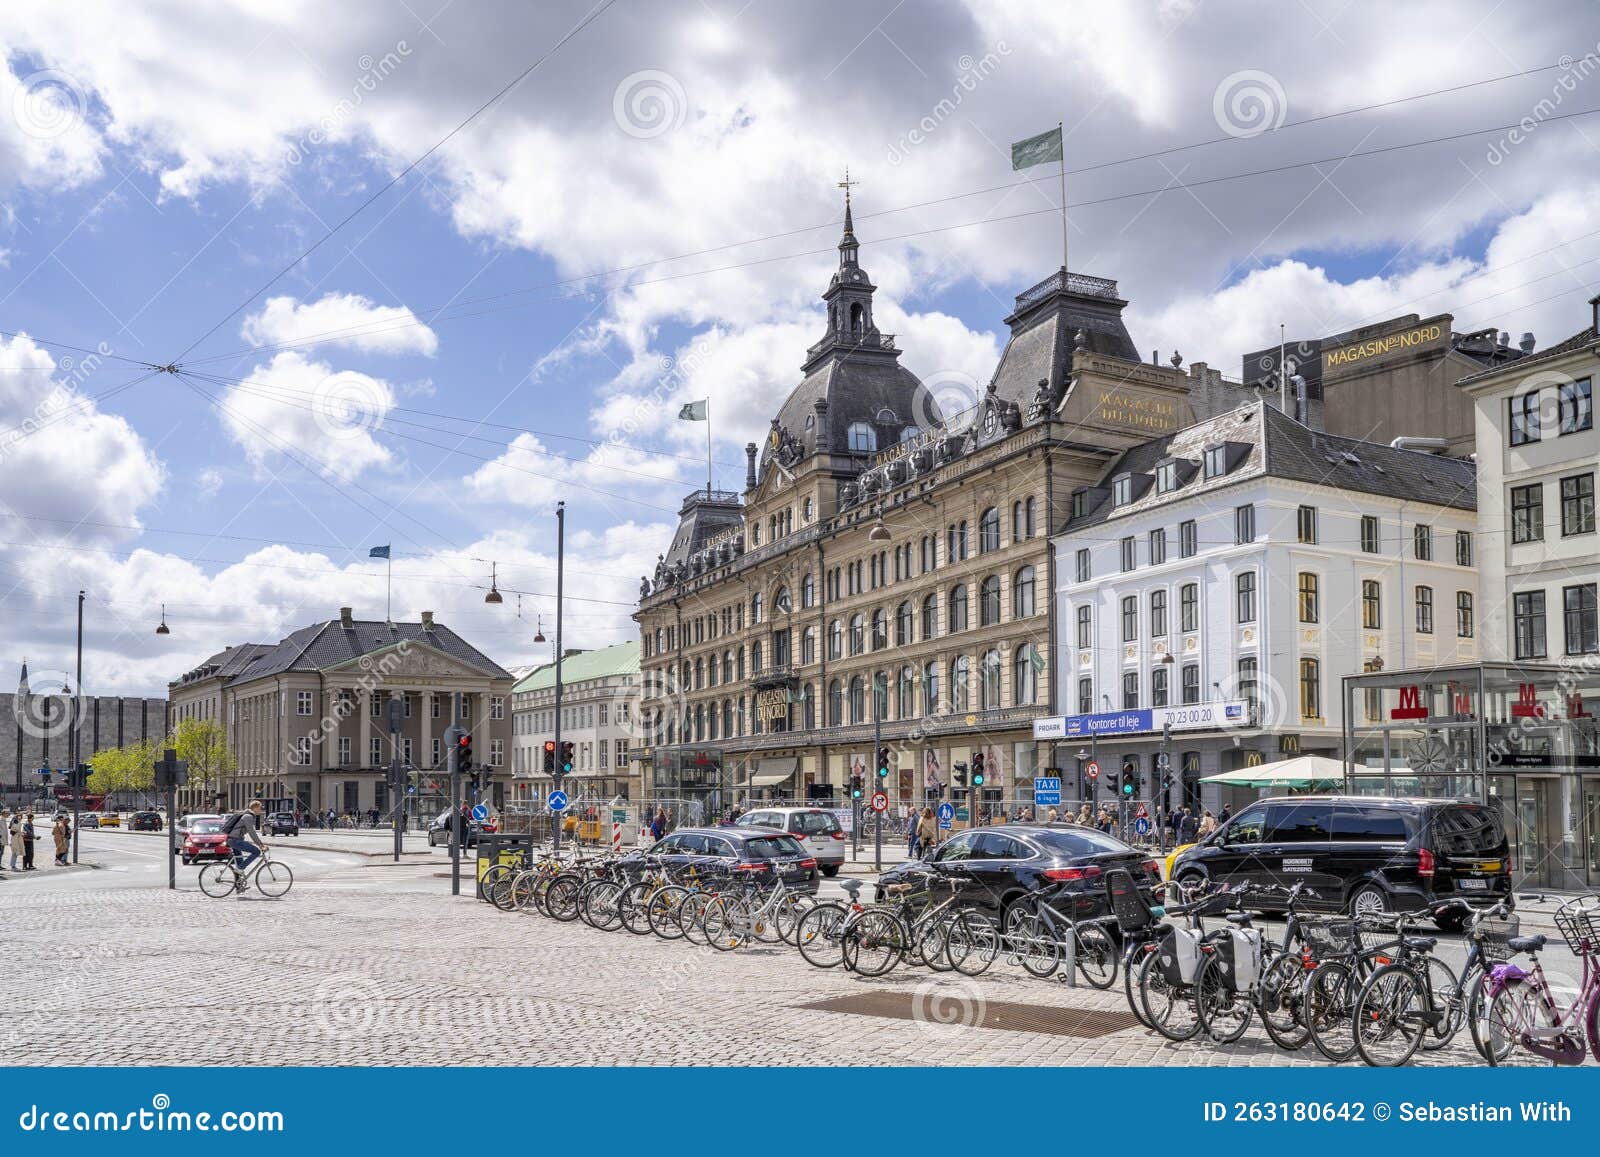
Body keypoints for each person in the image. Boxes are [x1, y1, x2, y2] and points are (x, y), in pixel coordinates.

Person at [225, 800, 269, 887]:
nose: (261, 810)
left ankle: (238, 886)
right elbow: (252, 832)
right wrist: (260, 845)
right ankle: (240, 869)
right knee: (256, 852)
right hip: (235, 840)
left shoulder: (247, 815)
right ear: (255, 808)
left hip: (233, 839)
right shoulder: (248, 816)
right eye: (260, 808)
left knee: (239, 863)